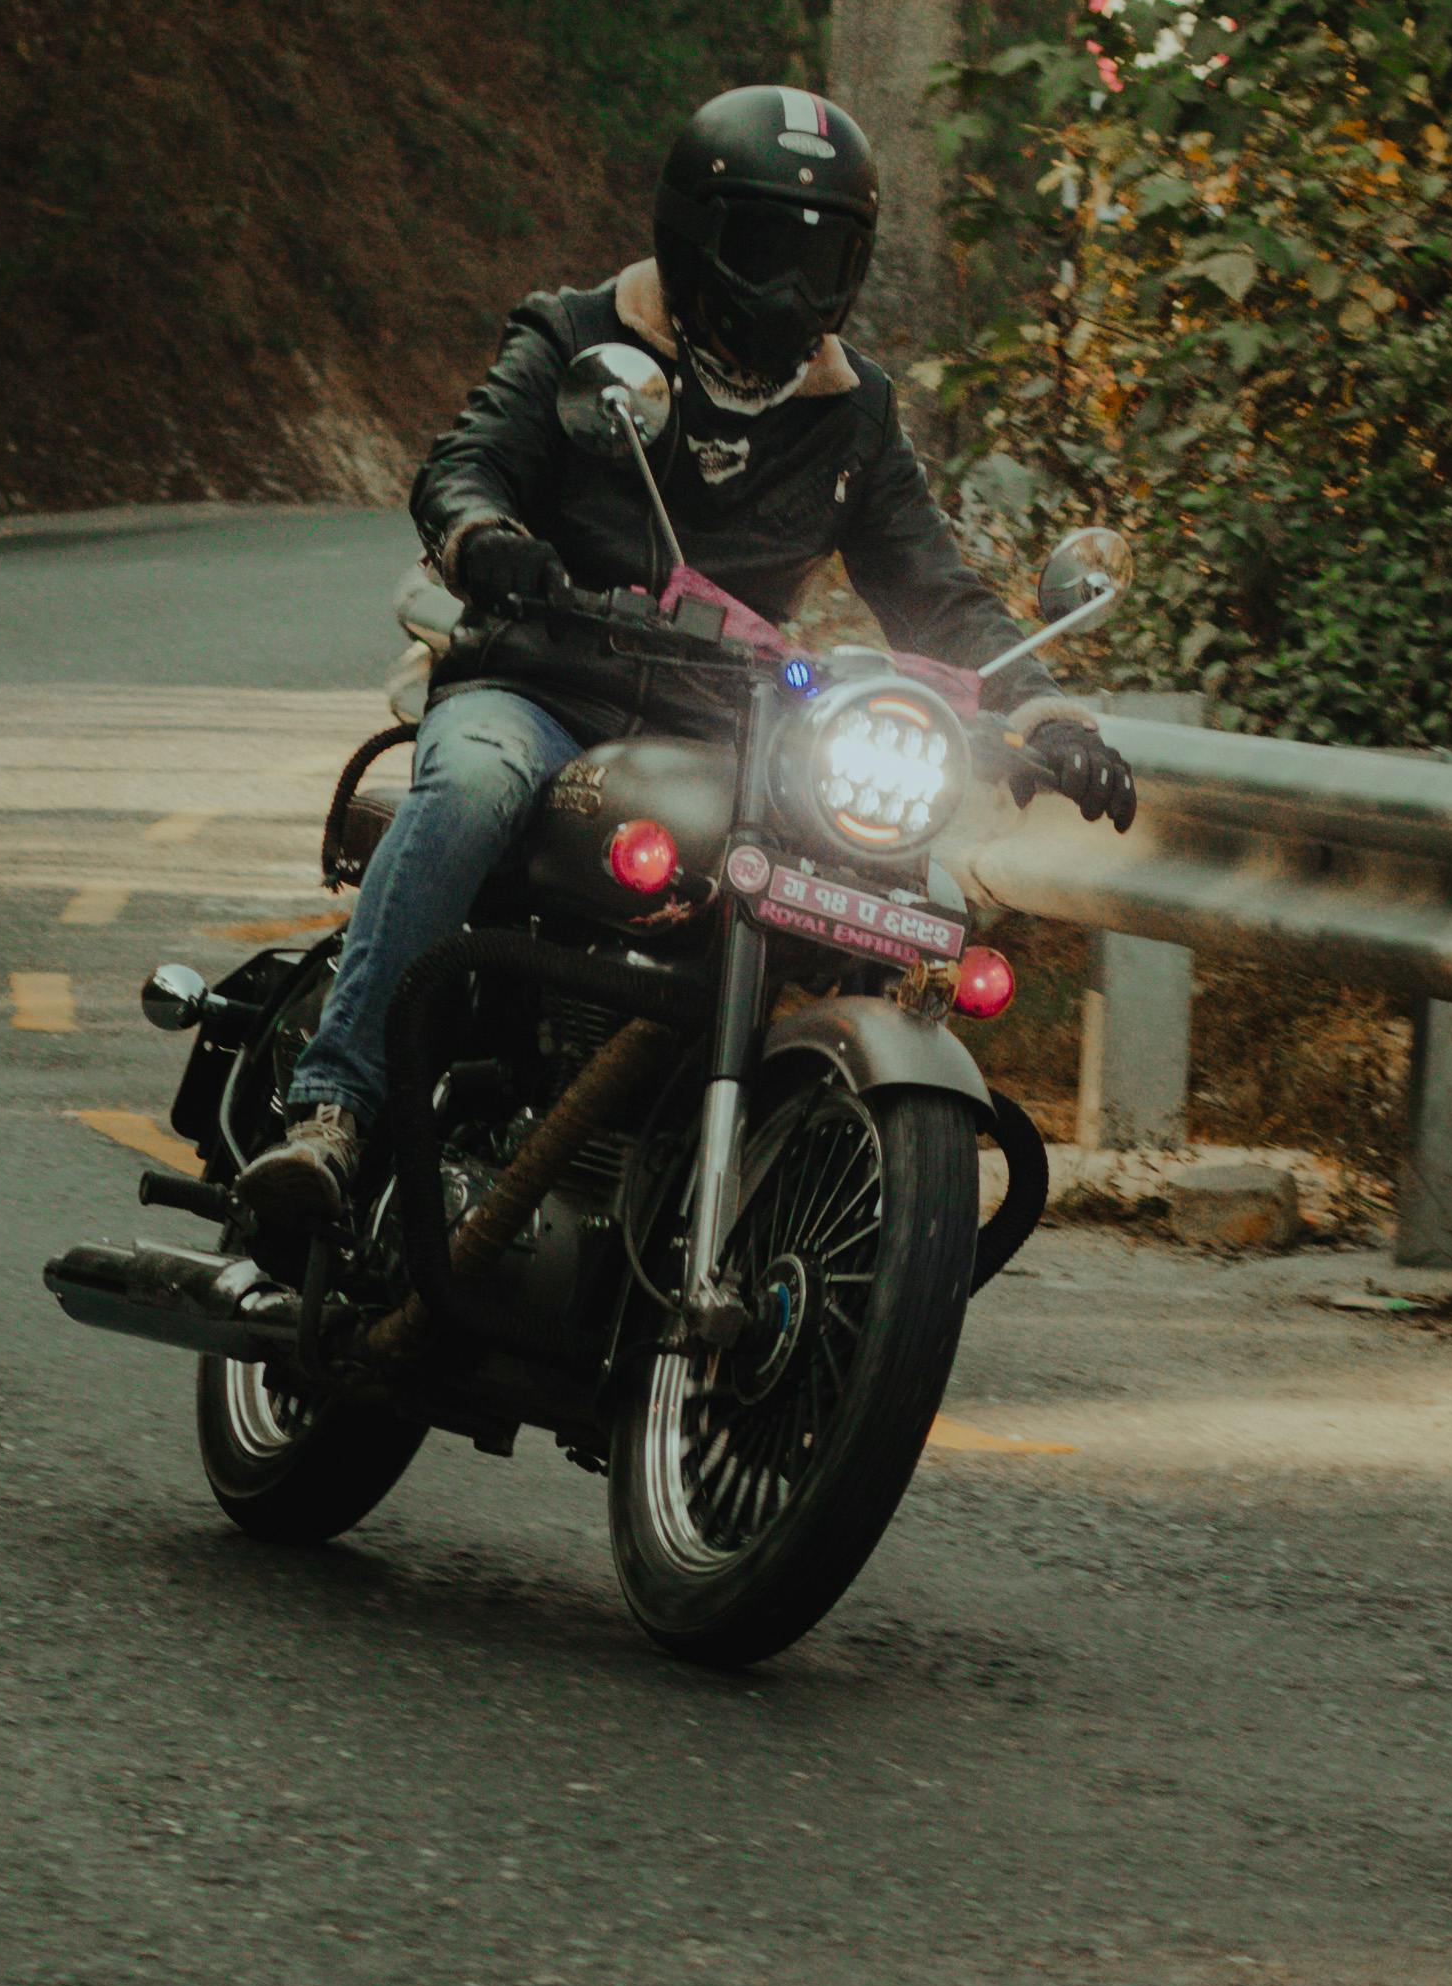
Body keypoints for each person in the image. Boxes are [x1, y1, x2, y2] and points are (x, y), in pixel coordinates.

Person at [233, 83, 1137, 1261]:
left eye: (822, 258)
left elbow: (933, 586)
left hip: (735, 730)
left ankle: (810, 1187)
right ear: (695, 236)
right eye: (765, 248)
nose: (792, 288)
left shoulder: (852, 409)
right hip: (545, 687)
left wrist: (1044, 710)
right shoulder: (578, 337)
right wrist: (492, 542)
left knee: (885, 876)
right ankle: (334, 1111)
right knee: (470, 787)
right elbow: (466, 466)